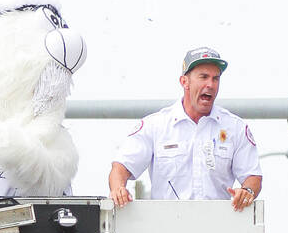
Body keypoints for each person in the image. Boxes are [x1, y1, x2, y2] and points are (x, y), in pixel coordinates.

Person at [108, 46, 262, 210]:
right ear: (184, 82)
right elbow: (120, 167)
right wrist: (118, 188)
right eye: (203, 77)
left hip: (218, 229)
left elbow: (253, 176)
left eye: (215, 78)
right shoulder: (155, 126)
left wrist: (247, 191)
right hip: (165, 228)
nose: (210, 84)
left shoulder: (235, 128)